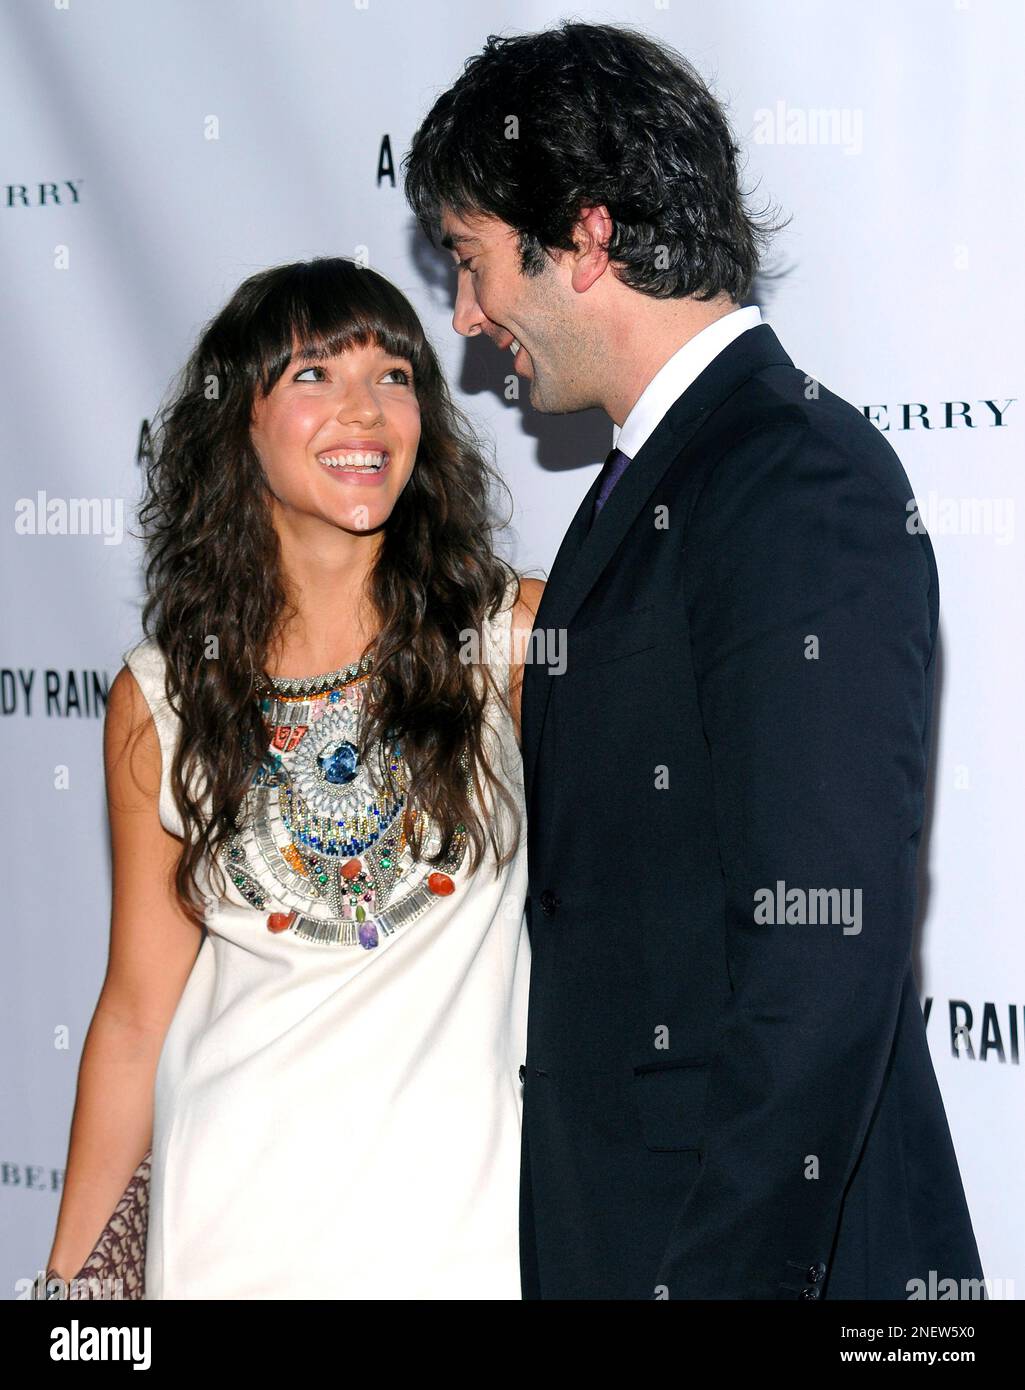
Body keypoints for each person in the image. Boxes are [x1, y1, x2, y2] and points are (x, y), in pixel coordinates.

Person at [404, 20, 987, 1299]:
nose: (466, 316)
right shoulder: (655, 479)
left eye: (471, 260)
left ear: (584, 238)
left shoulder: (795, 479)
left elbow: (822, 953)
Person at [45, 257, 543, 1299]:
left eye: (393, 375)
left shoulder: (510, 642)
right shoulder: (164, 692)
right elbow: (135, 1016)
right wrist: (68, 1298)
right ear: (240, 423)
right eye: (314, 373)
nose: (364, 409)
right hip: (227, 1244)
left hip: (462, 1251)